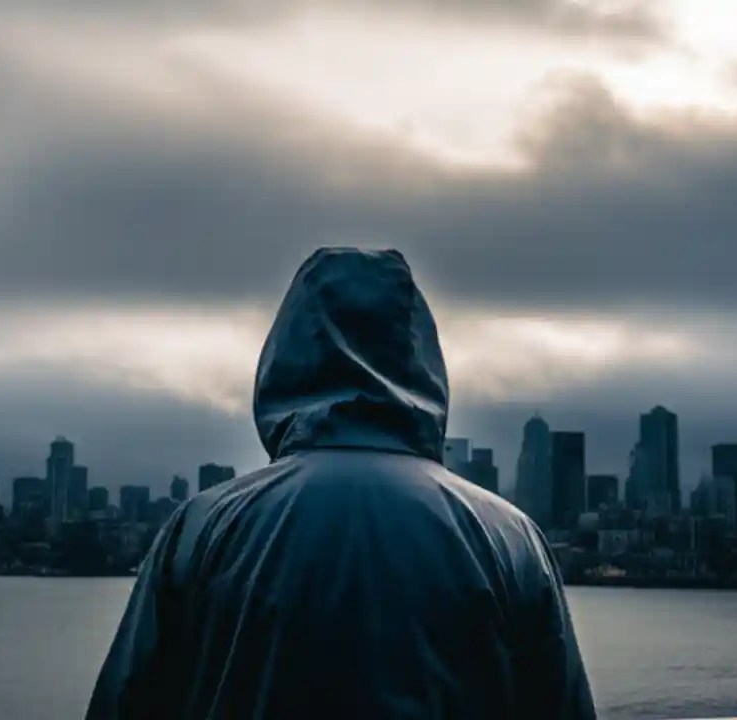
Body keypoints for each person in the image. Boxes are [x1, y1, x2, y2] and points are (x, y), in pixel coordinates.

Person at [86, 247, 595, 720]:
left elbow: (127, 704)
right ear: (421, 356)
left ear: (284, 354)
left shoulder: (202, 528)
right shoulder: (509, 539)